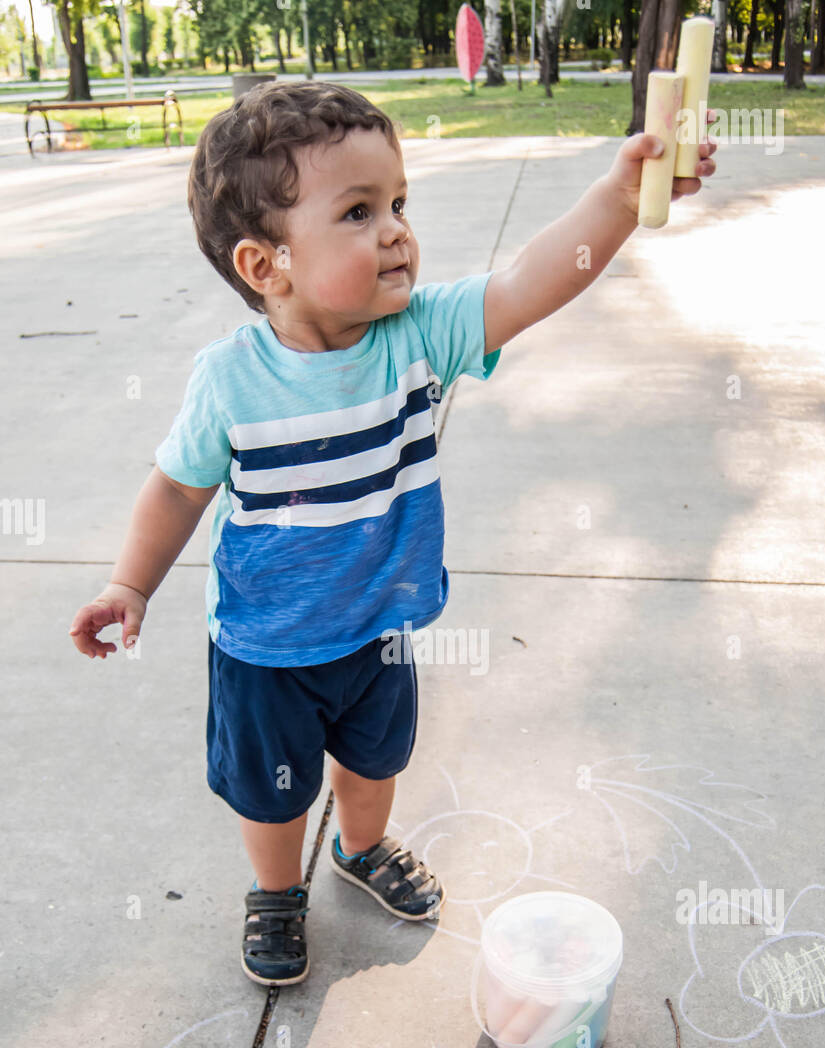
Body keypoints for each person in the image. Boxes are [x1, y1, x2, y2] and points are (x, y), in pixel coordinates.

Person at [68, 81, 715, 988]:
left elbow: (534, 282)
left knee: (375, 764)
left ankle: (363, 849)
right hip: (265, 648)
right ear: (267, 266)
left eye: (399, 203)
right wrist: (130, 585)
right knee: (273, 792)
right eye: (359, 212)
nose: (397, 230)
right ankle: (276, 890)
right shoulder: (230, 382)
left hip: (376, 630)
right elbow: (176, 491)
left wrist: (616, 197)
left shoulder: (418, 337)